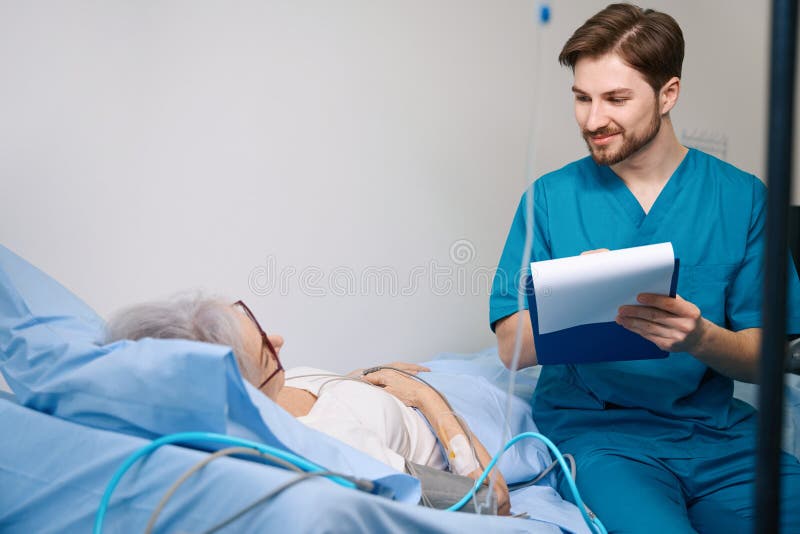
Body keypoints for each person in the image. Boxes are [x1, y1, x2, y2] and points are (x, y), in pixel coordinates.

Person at [489, 3, 800, 532]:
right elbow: (510, 348)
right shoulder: (549, 199)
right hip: (602, 438)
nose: (593, 120)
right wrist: (578, 296)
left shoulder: (742, 198)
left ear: (668, 93)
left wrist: (700, 338)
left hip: (720, 438)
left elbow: (767, 358)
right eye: (582, 98)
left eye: (616, 99)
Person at [105, 296, 510, 515]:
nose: (279, 339)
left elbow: (331, 400)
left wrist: (362, 375)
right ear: (246, 394)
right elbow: (490, 500)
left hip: (415, 377)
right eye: (267, 351)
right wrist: (427, 399)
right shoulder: (342, 449)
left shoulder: (272, 396)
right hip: (463, 415)